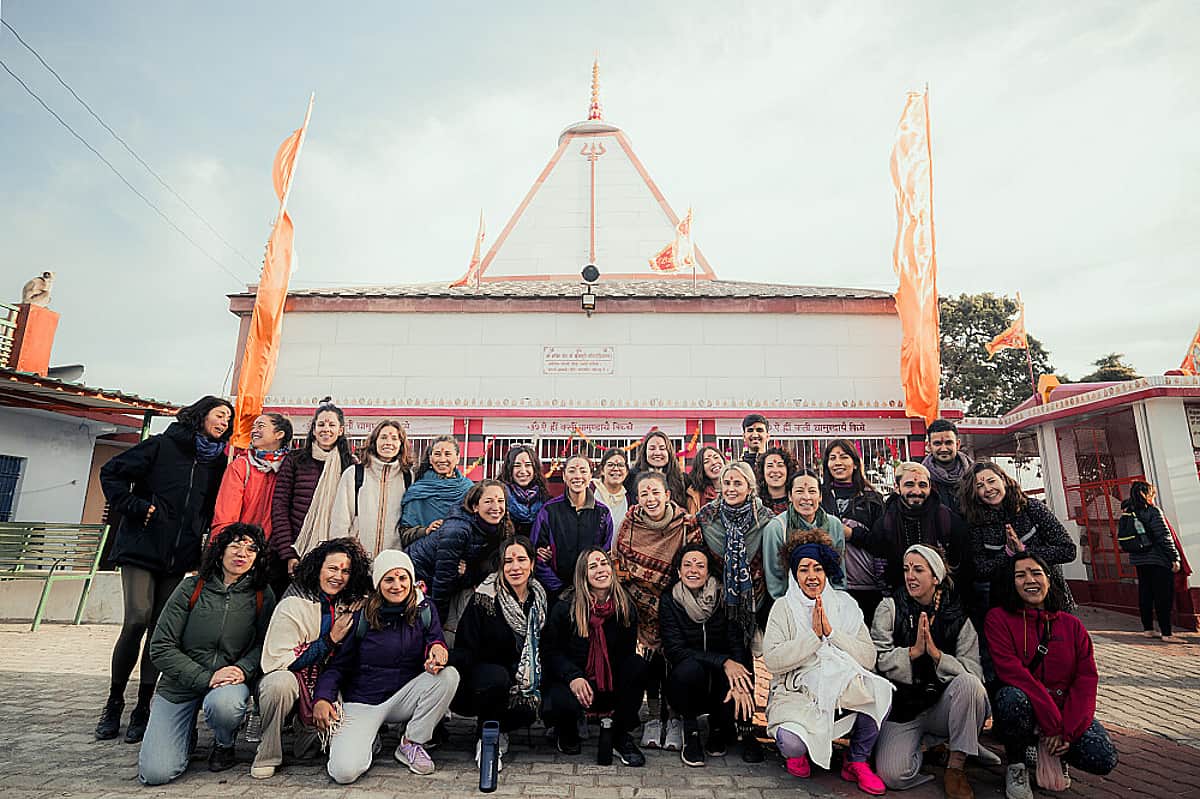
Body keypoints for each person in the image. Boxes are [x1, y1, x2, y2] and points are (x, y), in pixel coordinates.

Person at [96, 395, 233, 743]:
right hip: (141, 546)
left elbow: (210, 506)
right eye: (219, 415)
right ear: (200, 415)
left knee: (162, 631)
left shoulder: (217, 462)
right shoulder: (161, 446)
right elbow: (111, 472)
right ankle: (114, 701)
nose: (224, 423)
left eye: (228, 420)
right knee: (137, 618)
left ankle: (143, 706)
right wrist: (134, 505)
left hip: (181, 553)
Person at [137, 523, 276, 784]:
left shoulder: (261, 594)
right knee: (156, 773)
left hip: (228, 683)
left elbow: (265, 643)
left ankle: (224, 744)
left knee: (224, 705)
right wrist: (205, 677)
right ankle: (183, 733)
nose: (241, 554)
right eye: (235, 545)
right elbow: (161, 646)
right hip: (180, 684)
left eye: (251, 549)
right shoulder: (191, 588)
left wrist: (242, 669)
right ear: (220, 551)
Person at [762, 530, 891, 795]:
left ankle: (856, 760)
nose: (811, 576)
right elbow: (773, 661)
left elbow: (868, 658)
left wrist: (832, 633)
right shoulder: (783, 608)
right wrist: (814, 637)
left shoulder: (845, 604)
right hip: (797, 696)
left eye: (817, 569)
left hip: (844, 694)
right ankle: (799, 752)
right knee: (792, 744)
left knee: (880, 692)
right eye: (804, 569)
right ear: (794, 575)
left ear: (826, 572)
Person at [314, 550, 459, 783]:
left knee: (448, 676)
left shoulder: (424, 609)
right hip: (364, 701)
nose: (397, 585)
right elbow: (337, 666)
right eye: (389, 579)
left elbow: (434, 639)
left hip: (403, 696)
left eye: (403, 578)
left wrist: (438, 648)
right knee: (344, 772)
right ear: (378, 583)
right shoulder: (361, 615)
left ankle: (411, 743)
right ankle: (370, 739)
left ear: (411, 580)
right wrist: (322, 697)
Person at [985, 553, 1118, 799]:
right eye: (1020, 575)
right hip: (1025, 708)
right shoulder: (998, 619)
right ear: (1010, 583)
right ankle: (1018, 764)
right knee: (1011, 697)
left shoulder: (1072, 625)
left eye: (1036, 573)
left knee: (1102, 756)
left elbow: (1086, 681)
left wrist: (1067, 731)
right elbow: (1013, 672)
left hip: (1063, 714)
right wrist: (1052, 724)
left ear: (1048, 578)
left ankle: (1054, 750)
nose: (1030, 580)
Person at [871, 545, 990, 799]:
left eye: (918, 570)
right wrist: (911, 653)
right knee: (893, 775)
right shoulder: (889, 607)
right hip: (904, 709)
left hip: (942, 707)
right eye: (906, 569)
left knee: (970, 686)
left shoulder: (959, 617)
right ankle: (930, 745)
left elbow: (973, 672)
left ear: (935, 577)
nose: (910, 576)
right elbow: (877, 659)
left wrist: (937, 656)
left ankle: (956, 766)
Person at [251, 537, 373, 779]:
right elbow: (281, 660)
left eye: (346, 571)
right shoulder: (293, 604)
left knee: (309, 751)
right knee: (278, 685)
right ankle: (268, 752)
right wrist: (330, 639)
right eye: (332, 568)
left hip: (328, 685)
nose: (338, 575)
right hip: (292, 680)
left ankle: (304, 733)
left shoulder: (350, 604)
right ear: (318, 568)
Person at [610, 471, 701, 749]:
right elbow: (619, 561)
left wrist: (671, 595)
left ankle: (674, 718)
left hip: (676, 601)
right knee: (649, 662)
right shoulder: (630, 522)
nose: (651, 499)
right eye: (644, 494)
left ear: (667, 495)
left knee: (673, 658)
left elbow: (695, 559)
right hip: (639, 602)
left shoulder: (685, 523)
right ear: (637, 498)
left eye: (655, 492)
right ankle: (651, 717)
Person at [695, 461, 773, 763]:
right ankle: (718, 725)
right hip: (718, 602)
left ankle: (747, 727)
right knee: (721, 662)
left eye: (738, 483)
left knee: (746, 664)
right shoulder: (706, 517)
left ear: (750, 486)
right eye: (726, 483)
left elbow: (773, 560)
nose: (730, 489)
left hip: (752, 602)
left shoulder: (765, 519)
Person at [450, 535, 548, 771]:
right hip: (482, 680)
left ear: (532, 564)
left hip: (521, 682)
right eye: (508, 561)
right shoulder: (484, 599)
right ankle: (487, 738)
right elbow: (465, 647)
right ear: (501, 566)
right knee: (497, 677)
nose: (515, 567)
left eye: (521, 559)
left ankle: (503, 727)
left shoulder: (540, 600)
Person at [541, 549, 647, 766]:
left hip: (606, 681)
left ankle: (620, 734)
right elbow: (550, 651)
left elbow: (626, 655)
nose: (600, 569)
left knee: (637, 665)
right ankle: (567, 730)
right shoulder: (566, 606)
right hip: (575, 680)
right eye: (593, 566)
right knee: (560, 699)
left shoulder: (624, 606)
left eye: (603, 563)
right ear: (583, 575)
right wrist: (573, 677)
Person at [659, 543, 755, 767]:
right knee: (690, 668)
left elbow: (735, 640)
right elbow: (675, 650)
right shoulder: (669, 600)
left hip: (720, 683)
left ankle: (727, 728)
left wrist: (739, 676)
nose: (693, 570)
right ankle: (690, 731)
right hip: (687, 682)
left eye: (700, 566)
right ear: (679, 571)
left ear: (708, 571)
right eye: (687, 565)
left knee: (741, 665)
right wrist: (723, 661)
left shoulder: (724, 597)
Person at [854, 462, 974, 615]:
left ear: (929, 487)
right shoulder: (885, 522)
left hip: (944, 602)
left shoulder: (946, 518)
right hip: (900, 603)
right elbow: (879, 564)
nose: (917, 491)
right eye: (909, 484)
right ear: (897, 487)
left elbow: (962, 562)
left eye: (922, 485)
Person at [961, 461, 1076, 614]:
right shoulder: (975, 524)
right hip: (1008, 606)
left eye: (991, 481)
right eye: (980, 486)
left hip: (1051, 600)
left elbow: (1068, 550)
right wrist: (1008, 553)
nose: (988, 489)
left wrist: (1025, 552)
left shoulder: (1032, 508)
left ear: (1003, 479)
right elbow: (980, 569)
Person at [406, 479, 514, 642]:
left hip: (449, 579)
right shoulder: (457, 530)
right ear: (475, 507)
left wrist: (467, 573)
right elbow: (443, 583)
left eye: (500, 501)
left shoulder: (499, 526)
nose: (496, 507)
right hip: (418, 575)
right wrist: (436, 630)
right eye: (488, 501)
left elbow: (485, 569)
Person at [270, 399, 354, 598]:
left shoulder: (350, 465)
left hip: (333, 553)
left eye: (332, 425)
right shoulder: (296, 459)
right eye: (321, 424)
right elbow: (279, 507)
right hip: (296, 549)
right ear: (313, 430)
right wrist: (289, 553)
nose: (326, 429)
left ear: (340, 430)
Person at [821, 439, 888, 621]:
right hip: (828, 583)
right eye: (832, 458)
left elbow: (882, 542)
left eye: (844, 457)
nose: (838, 462)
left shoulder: (872, 498)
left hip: (864, 584)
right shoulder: (819, 497)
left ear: (856, 464)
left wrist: (851, 534)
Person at [532, 454, 614, 602]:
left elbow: (606, 555)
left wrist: (591, 587)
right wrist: (559, 588)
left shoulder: (603, 513)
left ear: (590, 476)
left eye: (583, 471)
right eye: (572, 471)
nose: (578, 476)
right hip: (556, 594)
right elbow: (536, 556)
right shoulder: (549, 511)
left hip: (592, 595)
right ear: (564, 476)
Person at [328, 419, 413, 557]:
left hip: (392, 561)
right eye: (383, 437)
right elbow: (340, 521)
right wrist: (342, 554)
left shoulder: (408, 477)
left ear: (401, 444)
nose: (388, 443)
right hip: (357, 558)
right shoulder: (354, 473)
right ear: (375, 441)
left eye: (394, 438)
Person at [764, 470, 846, 598]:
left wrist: (836, 601)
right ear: (790, 496)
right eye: (799, 491)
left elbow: (839, 569)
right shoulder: (777, 527)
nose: (806, 497)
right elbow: (775, 576)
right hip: (790, 601)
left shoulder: (834, 525)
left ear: (820, 496)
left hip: (828, 600)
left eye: (812, 491)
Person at [210, 412, 293, 539]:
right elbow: (225, 516)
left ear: (279, 434)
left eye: (260, 426)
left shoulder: (290, 468)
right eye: (253, 427)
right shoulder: (240, 465)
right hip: (242, 546)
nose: (254, 431)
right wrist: (222, 546)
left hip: (277, 548)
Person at [1123, 481, 1185, 642]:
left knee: (1145, 594)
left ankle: (1148, 629)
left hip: (1139, 559)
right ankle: (1166, 633)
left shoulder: (1130, 511)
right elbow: (1164, 536)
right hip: (1158, 559)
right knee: (1163, 596)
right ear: (1148, 494)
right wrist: (1174, 557)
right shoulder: (1153, 512)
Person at [398, 434, 474, 546]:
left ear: (457, 458)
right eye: (437, 454)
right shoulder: (418, 491)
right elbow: (404, 535)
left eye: (447, 454)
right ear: (430, 458)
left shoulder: (469, 489)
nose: (442, 459)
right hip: (424, 557)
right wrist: (426, 530)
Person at [625, 430, 689, 509]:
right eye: (652, 449)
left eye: (662, 449)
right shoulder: (631, 477)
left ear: (669, 452)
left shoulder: (682, 479)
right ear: (645, 452)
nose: (657, 453)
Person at [922, 420, 973, 516]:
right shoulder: (921, 478)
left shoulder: (974, 474)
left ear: (957, 444)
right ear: (929, 446)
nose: (944, 449)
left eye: (948, 443)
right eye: (937, 444)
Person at [500, 444, 551, 537]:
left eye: (528, 465)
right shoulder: (499, 497)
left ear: (535, 469)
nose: (523, 471)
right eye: (517, 465)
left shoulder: (545, 499)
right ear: (509, 469)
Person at [592, 448, 631, 531]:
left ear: (627, 472)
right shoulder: (590, 490)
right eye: (610, 465)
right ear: (602, 470)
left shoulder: (628, 498)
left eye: (620, 465)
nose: (616, 469)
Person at [755, 446, 796, 517]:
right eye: (770, 466)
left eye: (780, 465)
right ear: (762, 471)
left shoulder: (796, 502)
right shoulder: (756, 504)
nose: (775, 470)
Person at [686, 445, 725, 515]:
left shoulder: (738, 486)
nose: (713, 462)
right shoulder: (696, 496)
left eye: (716, 457)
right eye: (707, 461)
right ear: (701, 469)